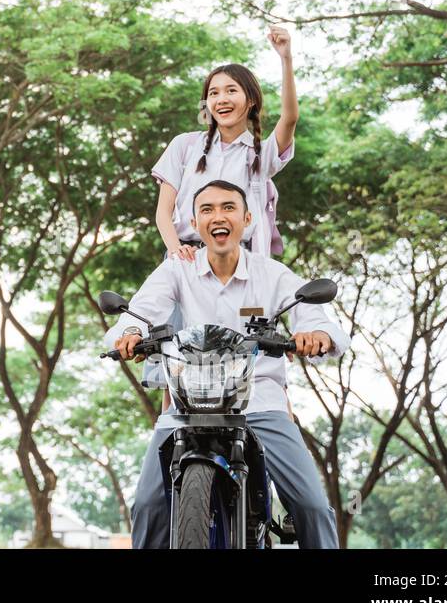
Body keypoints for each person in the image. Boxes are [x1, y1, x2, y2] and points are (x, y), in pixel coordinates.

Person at [105, 179, 349, 549]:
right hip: (187, 407)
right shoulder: (176, 271)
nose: (218, 216)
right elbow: (138, 312)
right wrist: (129, 335)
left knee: (312, 507)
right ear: (195, 221)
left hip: (260, 405)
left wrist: (317, 336)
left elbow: (316, 319)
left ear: (247, 218)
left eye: (228, 207)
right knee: (149, 505)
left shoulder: (273, 274)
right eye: (207, 209)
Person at [142, 26, 299, 390]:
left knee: (258, 373)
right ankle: (172, 440)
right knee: (177, 371)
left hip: (243, 269)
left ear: (251, 101)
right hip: (189, 266)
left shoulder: (260, 154)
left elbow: (289, 119)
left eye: (231, 90)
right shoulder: (185, 146)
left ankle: (279, 435)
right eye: (213, 93)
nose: (221, 99)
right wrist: (174, 249)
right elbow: (163, 211)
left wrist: (286, 58)